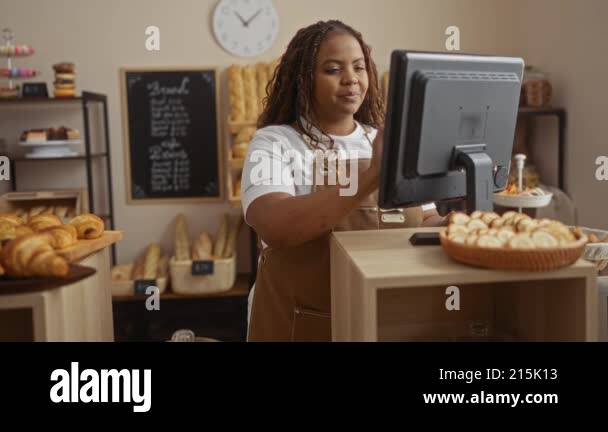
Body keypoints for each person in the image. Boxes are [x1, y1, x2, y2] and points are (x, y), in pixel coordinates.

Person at [241, 20, 447, 341]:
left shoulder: (385, 140)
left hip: (384, 319)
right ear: (304, 79)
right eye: (333, 70)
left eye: (359, 67)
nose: (351, 79)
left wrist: (459, 221)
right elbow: (273, 224)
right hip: (300, 325)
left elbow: (424, 218)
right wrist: (371, 176)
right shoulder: (275, 143)